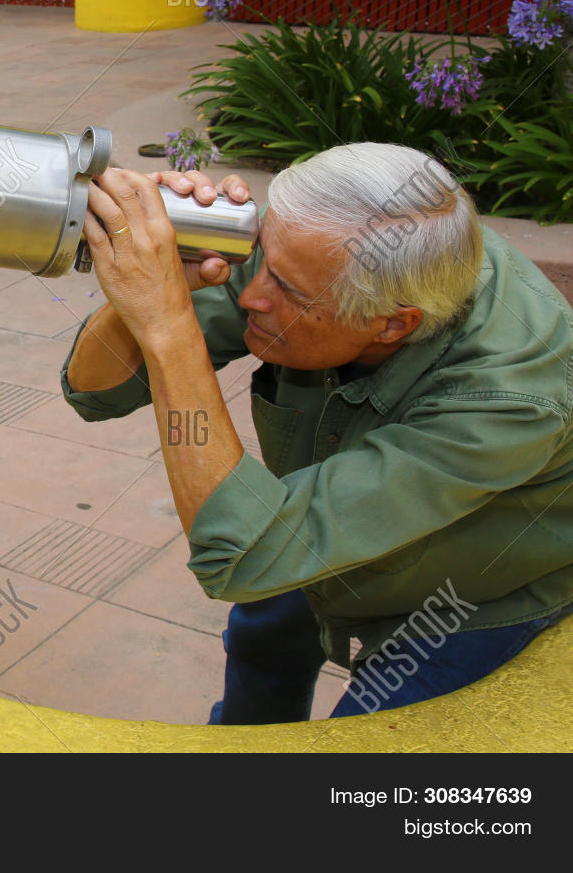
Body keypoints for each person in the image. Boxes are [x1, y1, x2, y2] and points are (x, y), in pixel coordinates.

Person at [60, 142, 573, 722]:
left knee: (369, 741)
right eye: (262, 260)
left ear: (392, 325)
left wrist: (167, 325)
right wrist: (153, 278)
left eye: (287, 291)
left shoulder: (507, 401)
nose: (251, 295)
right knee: (261, 653)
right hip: (303, 526)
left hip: (464, 591)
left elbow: (245, 555)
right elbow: (94, 391)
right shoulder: (311, 255)